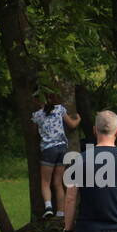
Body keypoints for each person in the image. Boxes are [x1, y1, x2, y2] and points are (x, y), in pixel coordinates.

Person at [31, 91, 80, 219]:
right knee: (58, 182)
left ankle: (48, 207)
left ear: (37, 100)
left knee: (45, 182)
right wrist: (79, 118)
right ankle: (61, 212)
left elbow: (34, 133)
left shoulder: (37, 116)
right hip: (62, 148)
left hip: (48, 149)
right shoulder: (60, 109)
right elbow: (72, 125)